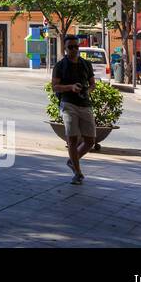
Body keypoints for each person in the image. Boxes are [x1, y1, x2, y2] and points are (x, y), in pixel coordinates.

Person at [52, 34, 96, 185]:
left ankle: (72, 160)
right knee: (72, 138)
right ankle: (77, 173)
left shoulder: (86, 64)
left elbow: (92, 84)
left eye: (76, 46)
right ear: (65, 48)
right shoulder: (60, 65)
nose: (73, 49)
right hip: (68, 104)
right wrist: (71, 87)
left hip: (85, 104)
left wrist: (87, 91)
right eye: (70, 47)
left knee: (90, 140)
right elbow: (55, 87)